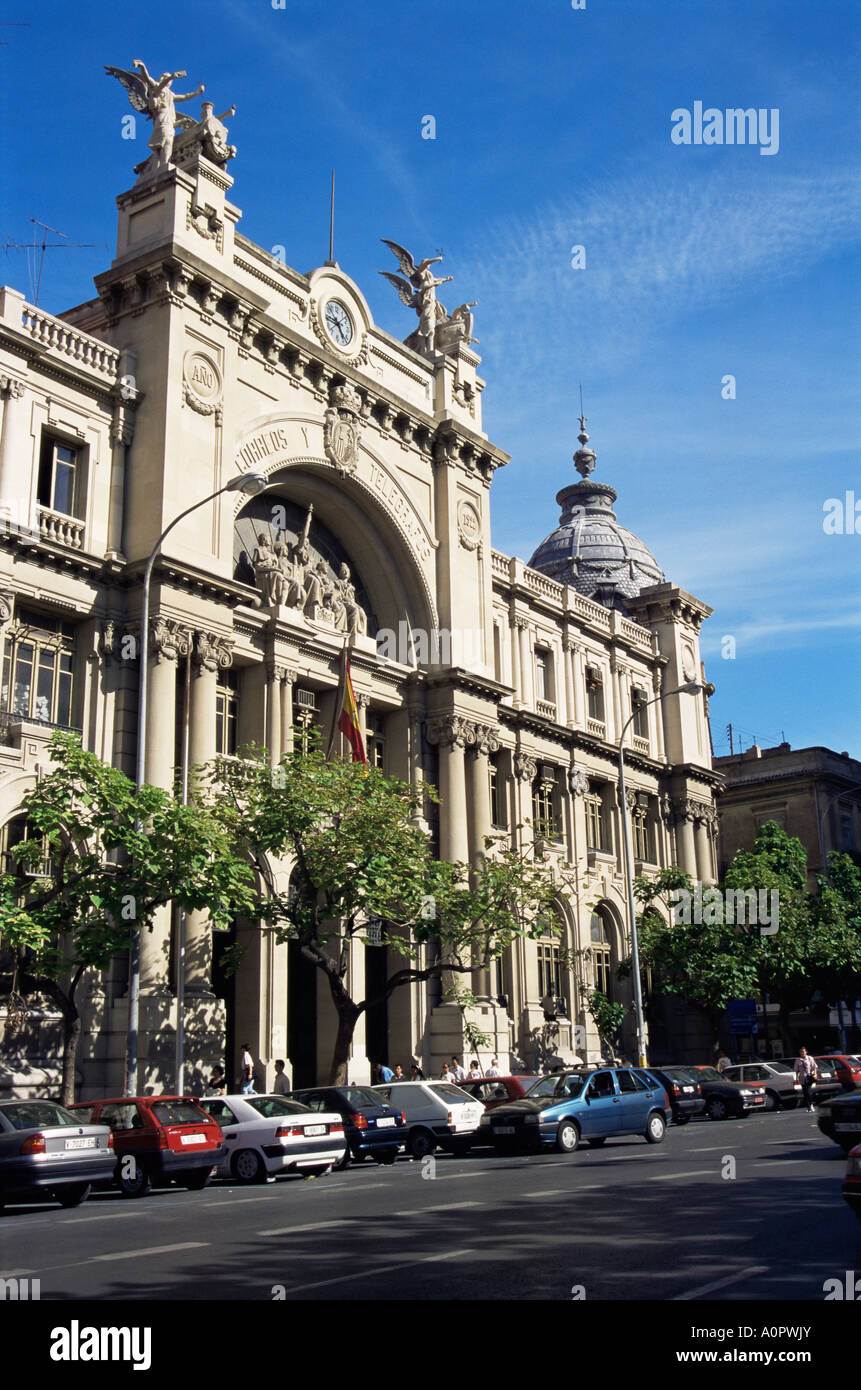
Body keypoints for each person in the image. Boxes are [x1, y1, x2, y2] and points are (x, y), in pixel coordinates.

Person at [794, 1047, 818, 1111]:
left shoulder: (810, 1058)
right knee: (805, 1093)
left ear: (806, 1052)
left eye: (803, 1051)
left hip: (809, 1077)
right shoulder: (798, 1060)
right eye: (801, 1052)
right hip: (802, 1078)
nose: (802, 1053)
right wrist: (796, 1078)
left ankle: (811, 1105)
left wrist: (815, 1074)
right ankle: (808, 1107)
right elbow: (796, 1070)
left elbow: (814, 1067)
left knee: (808, 1092)